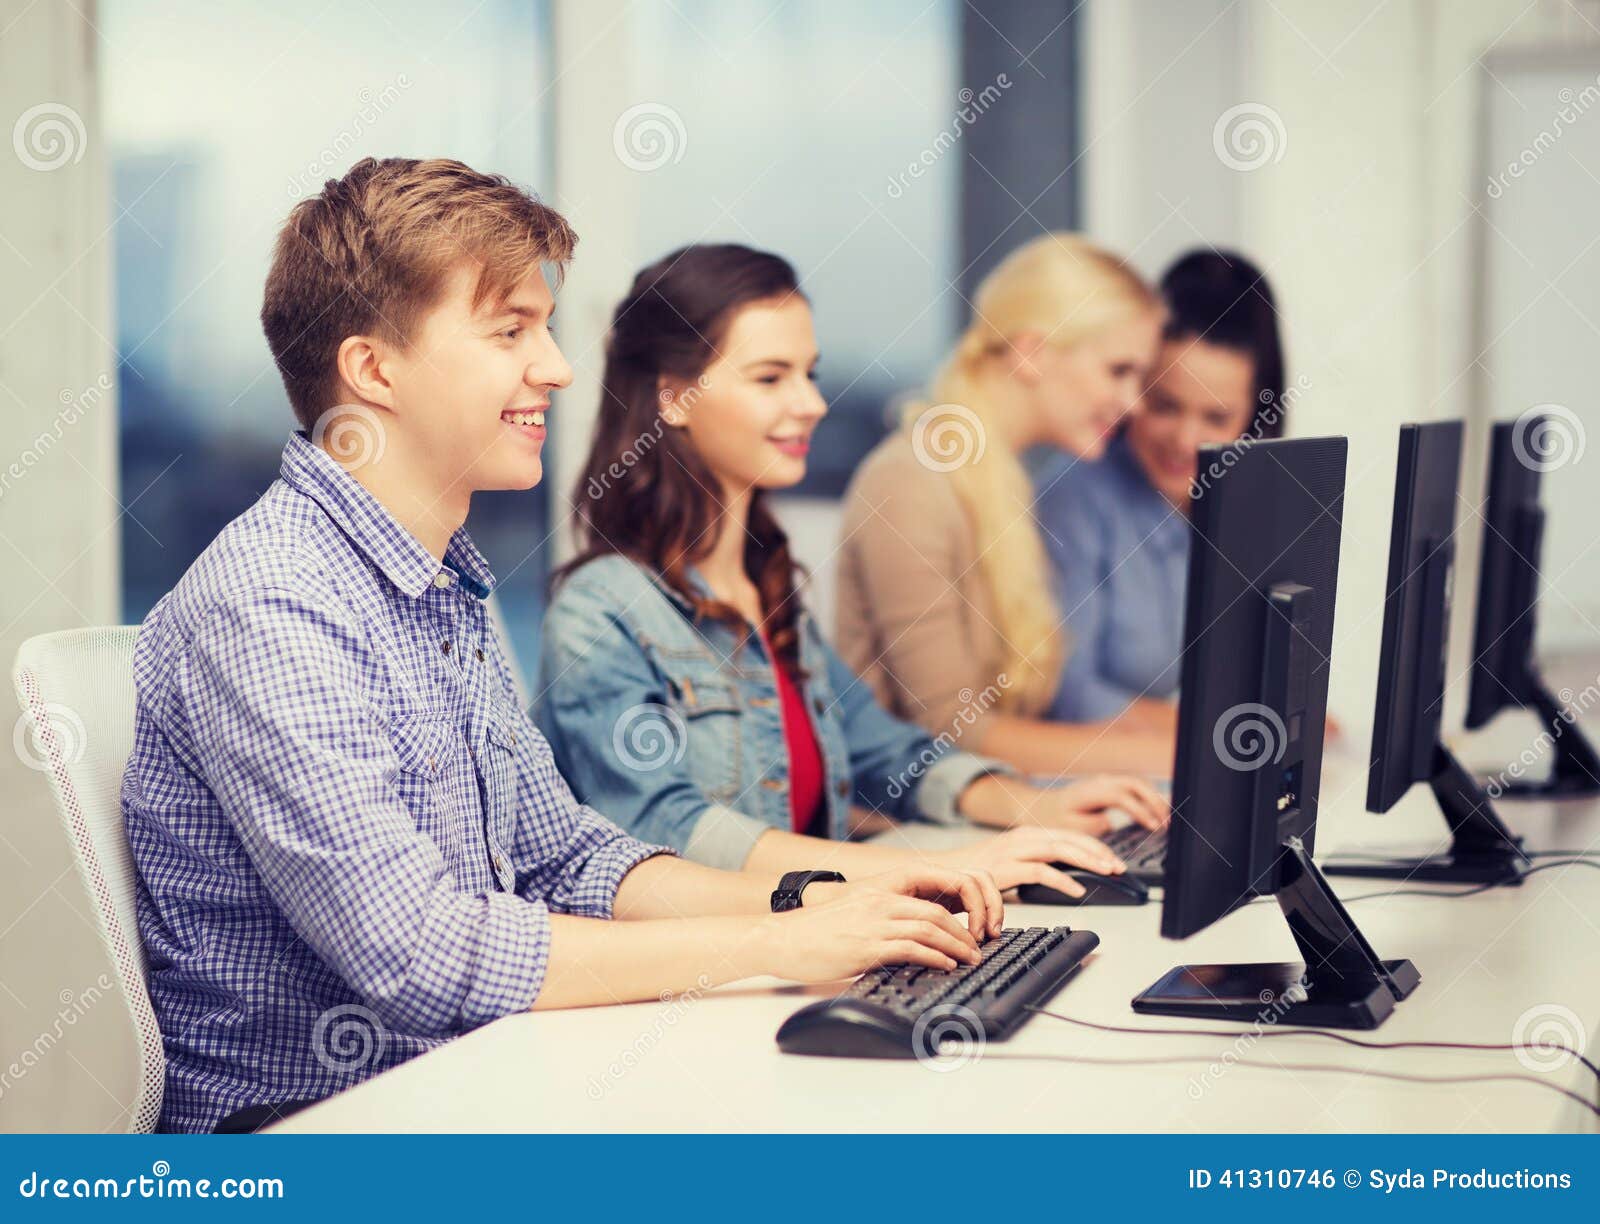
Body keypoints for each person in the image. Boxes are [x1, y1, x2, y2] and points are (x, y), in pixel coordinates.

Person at [121, 159, 1004, 1134]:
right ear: (373, 371)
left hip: (471, 1081)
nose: (558, 367)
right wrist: (772, 943)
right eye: (510, 331)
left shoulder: (442, 579)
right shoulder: (273, 602)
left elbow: (564, 853)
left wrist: (819, 904)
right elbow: (419, 953)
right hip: (317, 1126)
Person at [535, 243, 1166, 897]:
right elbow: (672, 829)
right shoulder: (601, 611)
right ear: (675, 398)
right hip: (701, 981)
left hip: (800, 952)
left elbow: (884, 750)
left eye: (810, 373)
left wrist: (1034, 807)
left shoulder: (766, 593)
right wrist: (940, 870)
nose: (812, 403)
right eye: (771, 377)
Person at [834, 233, 1170, 778]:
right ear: (1031, 351)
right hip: (901, 836)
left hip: (986, 818)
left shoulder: (1007, 483)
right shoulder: (909, 482)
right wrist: (1189, 758)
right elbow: (953, 731)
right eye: (1118, 371)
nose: (1132, 404)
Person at [1036, 248, 1286, 725]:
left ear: (1255, 418)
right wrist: (1217, 726)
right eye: (1165, 405)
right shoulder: (1074, 496)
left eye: (1216, 416)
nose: (1186, 440)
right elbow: (1065, 695)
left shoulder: (1238, 501)